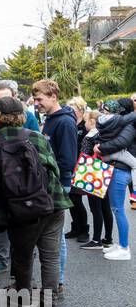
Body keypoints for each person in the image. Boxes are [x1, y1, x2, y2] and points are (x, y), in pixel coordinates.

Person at [0, 97, 70, 307]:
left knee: (22, 257)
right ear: (22, 115)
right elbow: (55, 170)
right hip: (52, 203)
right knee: (50, 257)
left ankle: (23, 297)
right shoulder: (37, 137)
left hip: (18, 209)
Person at [0, 83, 39, 275]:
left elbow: (36, 143)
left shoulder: (28, 117)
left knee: (25, 221)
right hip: (2, 178)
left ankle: (24, 260)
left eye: (6, 97)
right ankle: (2, 259)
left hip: (26, 180)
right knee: (3, 220)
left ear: (14, 97)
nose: (3, 102)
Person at [31, 79, 78, 295]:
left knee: (56, 237)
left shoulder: (65, 122)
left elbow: (68, 160)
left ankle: (58, 282)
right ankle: (56, 281)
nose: (36, 103)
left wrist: (51, 179)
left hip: (58, 186)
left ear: (53, 97)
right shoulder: (50, 119)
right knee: (53, 236)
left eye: (39, 99)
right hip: (49, 184)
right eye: (35, 99)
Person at [95, 97, 136, 261]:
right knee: (116, 208)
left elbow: (122, 141)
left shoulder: (129, 124)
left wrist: (101, 148)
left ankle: (124, 248)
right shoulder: (123, 122)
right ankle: (121, 245)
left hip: (120, 169)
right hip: (118, 167)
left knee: (118, 209)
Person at [79, 109, 114, 248]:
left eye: (86, 120)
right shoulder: (104, 134)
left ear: (92, 122)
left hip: (92, 172)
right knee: (105, 207)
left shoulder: (91, 135)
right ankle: (108, 238)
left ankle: (96, 239)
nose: (85, 123)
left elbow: (85, 154)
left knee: (95, 208)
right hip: (103, 172)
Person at [64, 96, 90, 243]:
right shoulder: (69, 123)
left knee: (76, 199)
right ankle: (75, 228)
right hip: (70, 165)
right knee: (71, 199)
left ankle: (84, 229)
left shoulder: (85, 126)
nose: (70, 111)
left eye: (73, 109)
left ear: (80, 110)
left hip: (82, 166)